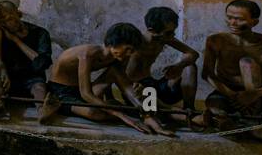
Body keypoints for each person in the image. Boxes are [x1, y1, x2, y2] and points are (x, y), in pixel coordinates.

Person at [39, 23, 174, 135]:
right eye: (127, 49)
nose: (129, 54)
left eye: (132, 51)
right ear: (114, 44)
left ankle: (147, 117)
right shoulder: (88, 53)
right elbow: (86, 94)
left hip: (79, 92)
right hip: (61, 93)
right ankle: (54, 105)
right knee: (95, 113)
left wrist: (144, 111)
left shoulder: (116, 58)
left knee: (116, 73)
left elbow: (126, 86)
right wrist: (123, 117)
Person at [201, 0, 262, 141]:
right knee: (216, 108)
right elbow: (207, 74)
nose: (232, 23)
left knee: (249, 65)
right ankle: (237, 126)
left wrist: (255, 94)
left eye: (239, 19)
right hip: (227, 93)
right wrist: (232, 94)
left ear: (254, 22)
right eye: (229, 17)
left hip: (259, 94)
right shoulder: (216, 40)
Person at [122, 6, 199, 126]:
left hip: (154, 86)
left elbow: (193, 54)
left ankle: (189, 109)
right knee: (159, 112)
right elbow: (115, 70)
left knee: (190, 67)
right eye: (168, 32)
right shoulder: (133, 44)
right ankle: (186, 118)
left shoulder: (163, 39)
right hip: (138, 91)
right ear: (152, 30)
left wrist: (178, 66)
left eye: (173, 31)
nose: (172, 35)